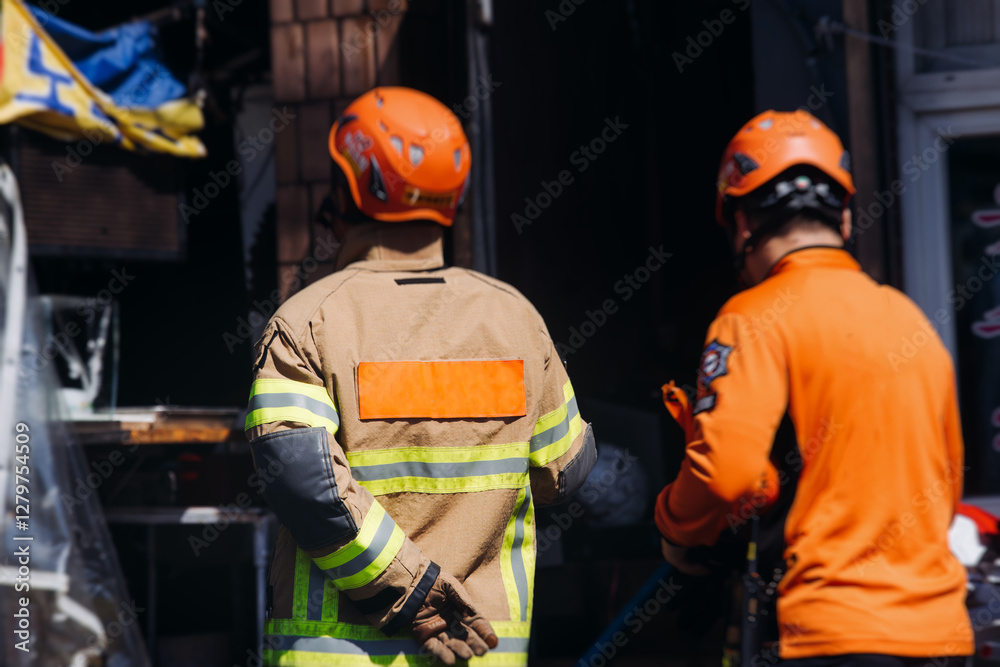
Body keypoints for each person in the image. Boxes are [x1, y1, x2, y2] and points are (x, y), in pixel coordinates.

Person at [244, 86, 596, 666]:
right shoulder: (517, 318)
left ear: (347, 191)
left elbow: (305, 486)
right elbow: (568, 472)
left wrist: (415, 590)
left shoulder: (307, 321)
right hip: (486, 654)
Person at [655, 109, 973, 664]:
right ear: (845, 218)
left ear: (741, 222)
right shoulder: (910, 321)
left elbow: (726, 474)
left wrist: (678, 532)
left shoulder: (751, 316)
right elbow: (945, 483)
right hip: (938, 632)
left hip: (828, 634)